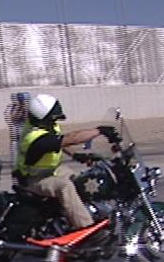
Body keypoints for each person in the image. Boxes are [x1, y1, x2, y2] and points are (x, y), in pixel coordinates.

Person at [14, 93, 118, 232]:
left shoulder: (45, 126)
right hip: (34, 179)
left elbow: (58, 142)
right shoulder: (34, 137)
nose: (55, 121)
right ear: (44, 118)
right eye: (53, 118)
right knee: (65, 186)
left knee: (81, 180)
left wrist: (76, 155)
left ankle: (81, 214)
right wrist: (99, 131)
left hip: (50, 171)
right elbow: (69, 139)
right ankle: (86, 230)